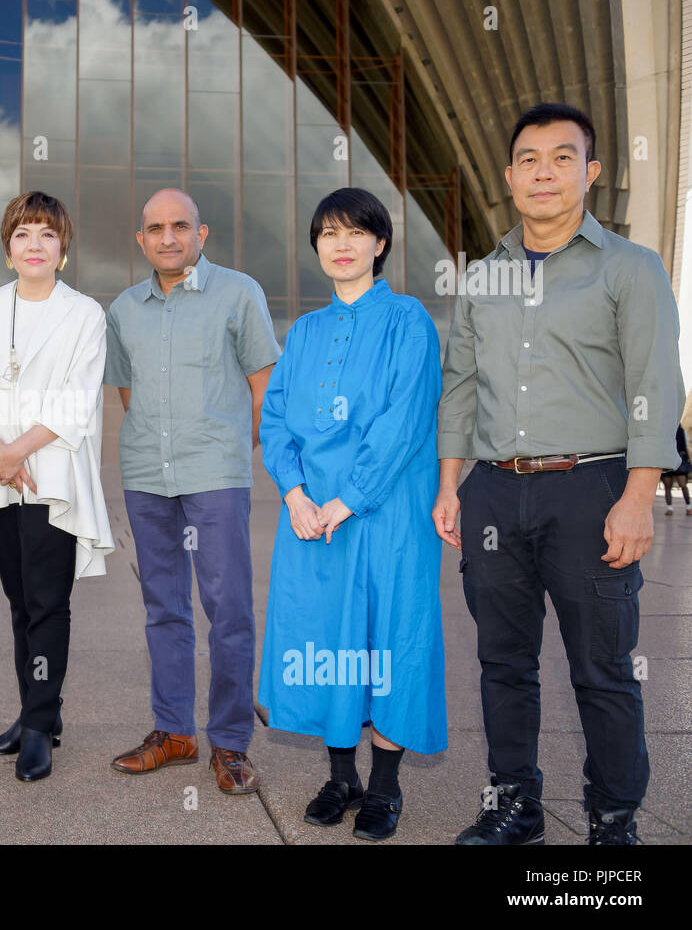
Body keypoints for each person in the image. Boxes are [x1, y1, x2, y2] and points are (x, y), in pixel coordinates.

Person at [435, 103, 684, 845]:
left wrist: (640, 496)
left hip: (592, 487)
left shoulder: (629, 268)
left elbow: (654, 386)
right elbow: (460, 385)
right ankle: (515, 805)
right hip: (493, 488)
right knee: (501, 661)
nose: (544, 172)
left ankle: (613, 819)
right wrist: (450, 486)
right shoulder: (484, 276)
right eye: (529, 160)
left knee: (602, 666)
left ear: (591, 172)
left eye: (562, 157)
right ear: (509, 178)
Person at [257, 188, 445, 841]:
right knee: (325, 642)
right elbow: (275, 419)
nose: (340, 244)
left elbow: (403, 421)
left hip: (385, 516)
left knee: (388, 640)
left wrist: (348, 497)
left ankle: (385, 789)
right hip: (311, 518)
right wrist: (294, 492)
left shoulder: (409, 321)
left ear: (380, 243)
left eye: (354, 232)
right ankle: (342, 776)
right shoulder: (303, 332)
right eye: (327, 234)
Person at [104, 188, 280, 795]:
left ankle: (229, 743)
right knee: (163, 609)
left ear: (201, 235)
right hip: (148, 477)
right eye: (156, 228)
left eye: (181, 226)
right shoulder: (123, 309)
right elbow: (129, 395)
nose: (169, 238)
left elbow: (266, 389)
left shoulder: (239, 293)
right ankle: (174, 732)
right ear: (142, 239)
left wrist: (227, 450)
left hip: (215, 478)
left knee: (228, 609)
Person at [0, 190, 112, 782]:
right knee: (20, 603)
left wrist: (15, 452)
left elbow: (77, 397)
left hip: (50, 474)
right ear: (8, 249)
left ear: (63, 249)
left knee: (48, 604)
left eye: (47, 234)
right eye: (23, 234)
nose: (35, 244)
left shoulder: (84, 313)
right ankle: (36, 712)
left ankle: (39, 728)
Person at [659, 425, 690, 515]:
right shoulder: (662, 429)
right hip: (666, 460)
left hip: (679, 459)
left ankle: (689, 506)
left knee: (683, 485)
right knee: (667, 486)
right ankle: (670, 508)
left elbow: (686, 445)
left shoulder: (680, 429)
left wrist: (688, 459)